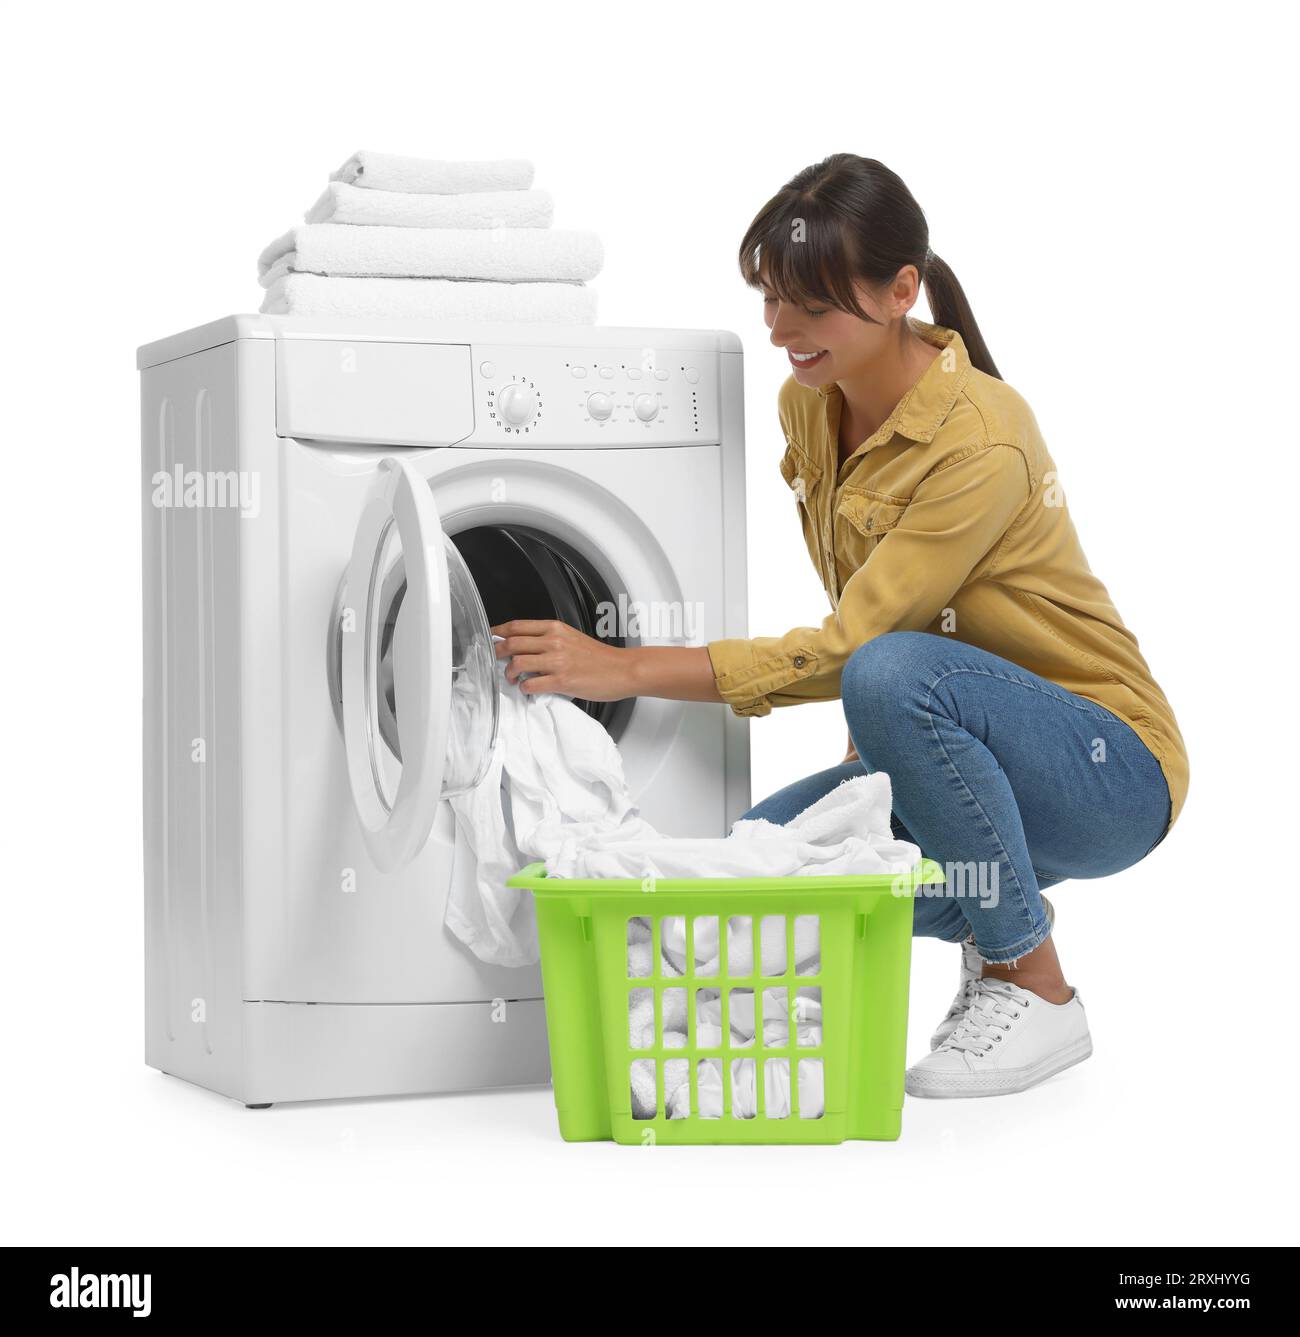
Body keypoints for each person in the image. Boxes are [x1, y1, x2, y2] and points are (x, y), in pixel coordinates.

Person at [491, 153, 1187, 1099]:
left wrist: (621, 666)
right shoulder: (808, 406)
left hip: (1110, 773)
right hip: (974, 760)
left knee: (891, 673)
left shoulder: (983, 438)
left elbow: (863, 644)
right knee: (751, 863)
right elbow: (872, 609)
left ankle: (1036, 980)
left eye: (809, 309)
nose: (781, 331)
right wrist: (884, 758)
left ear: (901, 291)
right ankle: (986, 933)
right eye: (771, 300)